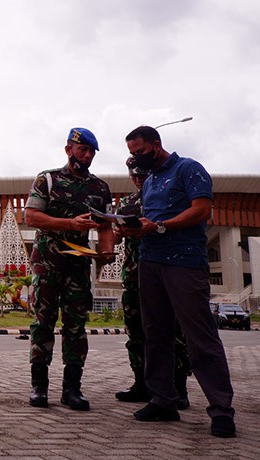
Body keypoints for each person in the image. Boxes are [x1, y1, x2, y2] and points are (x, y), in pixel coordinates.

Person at [121, 125, 236, 438]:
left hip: (184, 264)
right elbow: (148, 220)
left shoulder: (189, 169)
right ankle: (163, 400)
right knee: (155, 335)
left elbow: (201, 210)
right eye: (132, 154)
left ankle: (221, 410)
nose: (137, 159)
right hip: (150, 263)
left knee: (200, 337)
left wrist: (157, 227)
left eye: (141, 152)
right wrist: (130, 229)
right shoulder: (151, 180)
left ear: (157, 145)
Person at [24, 127, 115, 411]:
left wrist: (107, 251)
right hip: (48, 261)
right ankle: (39, 388)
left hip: (78, 264)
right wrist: (69, 224)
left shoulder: (99, 188)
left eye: (91, 152)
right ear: (68, 149)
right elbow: (31, 216)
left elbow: (105, 226)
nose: (87, 156)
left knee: (76, 326)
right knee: (43, 321)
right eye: (82, 150)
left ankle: (72, 389)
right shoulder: (48, 179)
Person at [113, 157, 191, 409]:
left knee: (173, 333)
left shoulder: (166, 196)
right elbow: (115, 240)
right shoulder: (127, 203)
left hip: (164, 272)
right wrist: (116, 233)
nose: (138, 179)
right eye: (133, 175)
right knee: (135, 331)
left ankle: (178, 387)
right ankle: (141, 383)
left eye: (142, 174)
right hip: (134, 276)